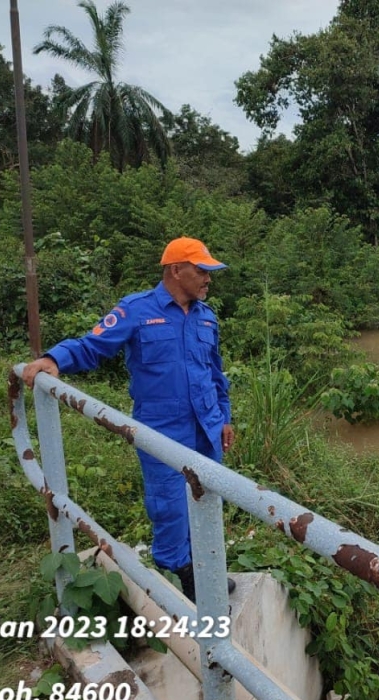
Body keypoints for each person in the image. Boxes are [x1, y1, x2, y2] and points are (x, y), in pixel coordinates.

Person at [23, 236, 235, 603]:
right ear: (175, 270)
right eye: (201, 271)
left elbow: (215, 374)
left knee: (205, 501)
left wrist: (225, 419)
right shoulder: (138, 310)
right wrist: (54, 360)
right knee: (169, 505)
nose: (208, 279)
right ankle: (179, 573)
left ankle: (206, 568)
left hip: (207, 427)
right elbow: (93, 345)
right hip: (162, 429)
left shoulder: (207, 317)